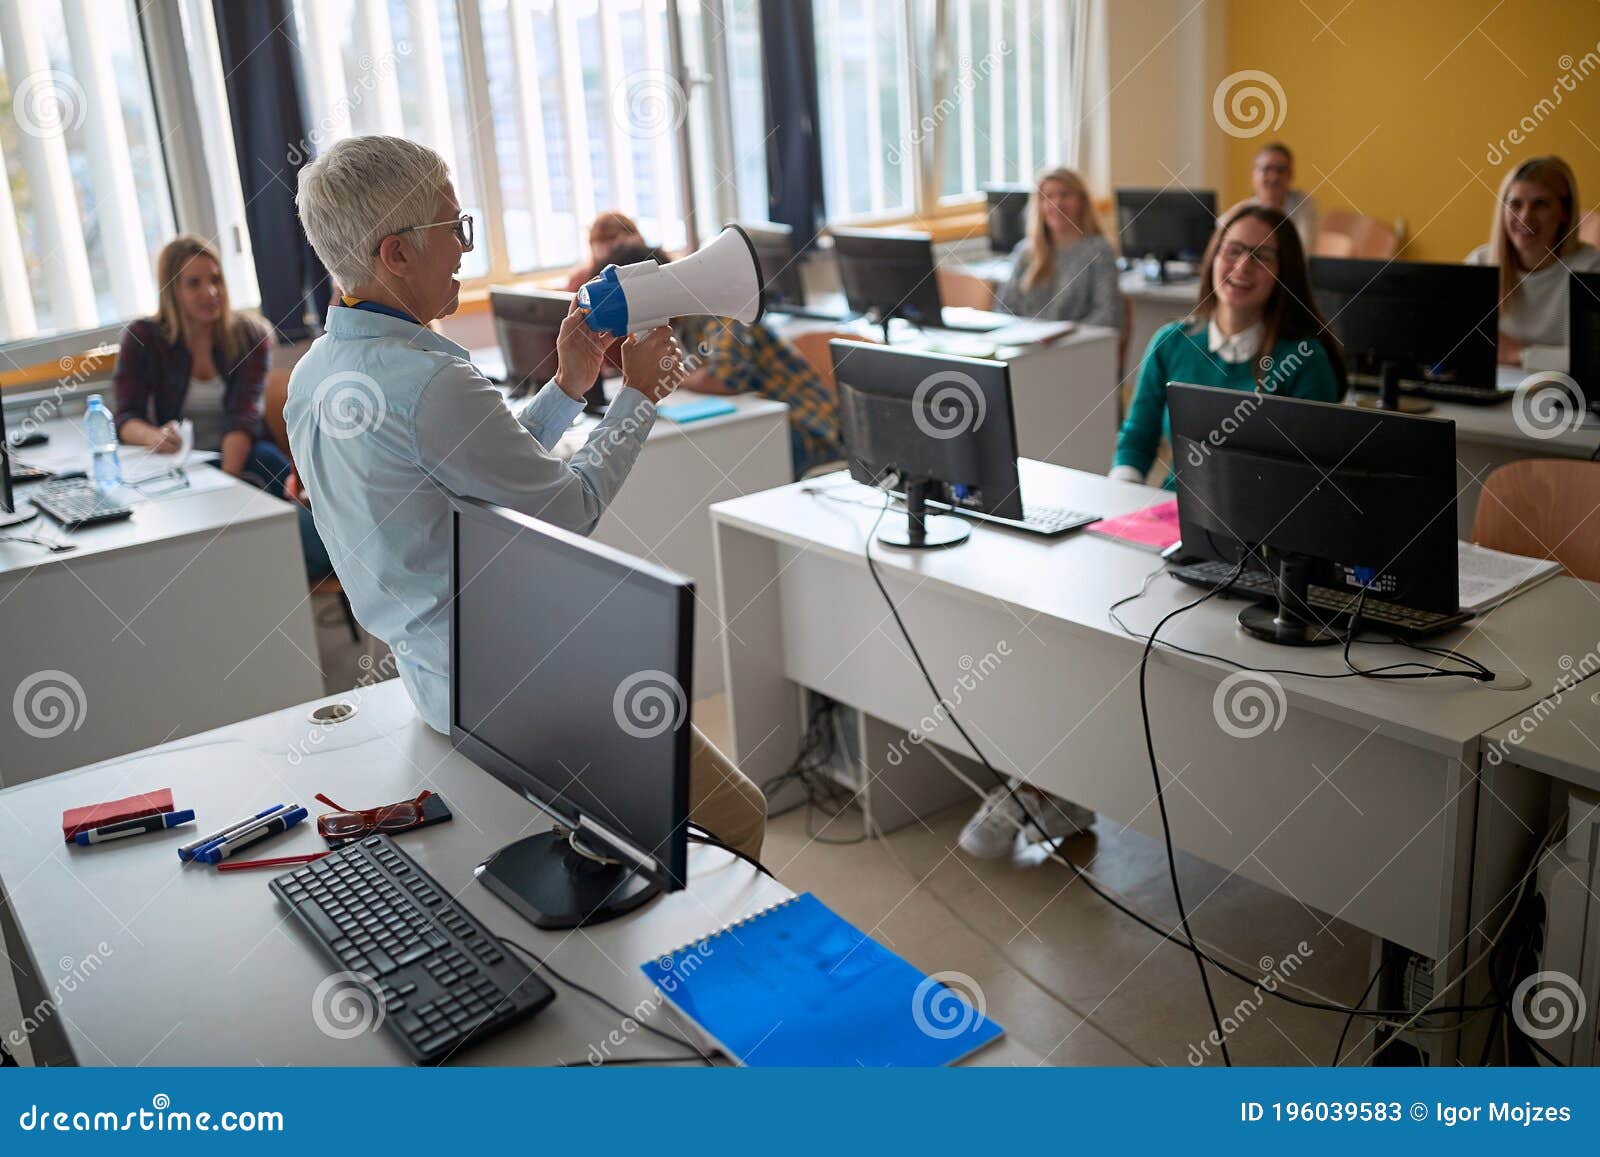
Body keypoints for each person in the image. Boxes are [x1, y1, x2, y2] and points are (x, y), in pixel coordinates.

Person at [286, 135, 766, 858]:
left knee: (614, 854)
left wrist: (569, 386)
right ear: (397, 254)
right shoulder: (429, 382)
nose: (463, 248)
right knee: (739, 817)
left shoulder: (316, 375)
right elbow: (569, 511)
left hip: (440, 683)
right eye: (454, 228)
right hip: (528, 692)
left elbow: (482, 470)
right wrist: (640, 393)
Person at [112, 235, 331, 580]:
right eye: (194, 283)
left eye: (215, 279)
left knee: (304, 538)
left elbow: (242, 418)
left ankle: (274, 571)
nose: (210, 292)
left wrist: (226, 491)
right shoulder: (143, 337)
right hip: (183, 464)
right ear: (171, 290)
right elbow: (126, 417)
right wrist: (153, 436)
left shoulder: (249, 335)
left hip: (245, 458)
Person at [1110, 203, 1345, 489]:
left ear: (1284, 272)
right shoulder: (1171, 342)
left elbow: (1314, 475)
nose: (1243, 266)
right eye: (1233, 250)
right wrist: (1121, 492)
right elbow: (1137, 438)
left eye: (1261, 256)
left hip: (1267, 514)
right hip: (1176, 506)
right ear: (1213, 257)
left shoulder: (1304, 358)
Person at [604, 242, 843, 479]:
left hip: (810, 431)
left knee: (712, 465)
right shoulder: (688, 320)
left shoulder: (715, 305)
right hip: (780, 423)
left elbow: (726, 379)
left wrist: (673, 378)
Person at [1465, 156, 1600, 370]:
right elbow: (1457, 344)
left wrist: (1518, 354)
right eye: (1515, 204)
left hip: (1564, 389)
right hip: (1490, 388)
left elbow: (1593, 357)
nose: (1525, 217)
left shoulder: (1591, 268)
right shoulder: (1480, 263)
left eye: (1540, 204)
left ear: (1565, 213)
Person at [994, 167, 1121, 327]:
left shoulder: (1099, 251)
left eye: (1065, 195)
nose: (1056, 204)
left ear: (1081, 201)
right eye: (1048, 196)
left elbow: (1107, 315)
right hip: (1029, 339)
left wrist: (1065, 334)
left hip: (1078, 340)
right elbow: (1004, 308)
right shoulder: (1026, 251)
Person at [1229, 142, 1318, 252]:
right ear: (1253, 175)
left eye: (1281, 171)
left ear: (1290, 175)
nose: (1273, 177)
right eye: (1266, 169)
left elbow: (1303, 250)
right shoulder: (1242, 210)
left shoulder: (1304, 205)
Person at [564, 210, 645, 292]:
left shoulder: (643, 271)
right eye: (603, 239)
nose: (612, 246)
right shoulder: (580, 277)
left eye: (613, 239)